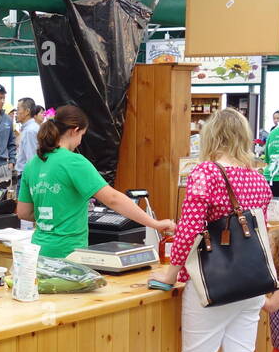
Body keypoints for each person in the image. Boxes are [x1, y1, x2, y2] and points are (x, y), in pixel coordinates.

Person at [148, 108, 273, 352]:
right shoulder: (256, 176)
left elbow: (189, 229)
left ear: (211, 137)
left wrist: (170, 273)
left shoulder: (204, 174)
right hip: (251, 282)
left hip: (214, 285)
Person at [16, 105, 174, 260]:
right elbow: (113, 199)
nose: (79, 142)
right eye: (82, 135)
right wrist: (155, 223)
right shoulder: (74, 162)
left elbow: (23, 212)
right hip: (68, 255)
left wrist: (52, 218)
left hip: (38, 254)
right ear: (75, 130)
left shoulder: (32, 164)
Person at [13, 97, 40, 182]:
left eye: (18, 109)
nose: (16, 113)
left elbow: (31, 159)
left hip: (26, 177)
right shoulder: (31, 128)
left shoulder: (30, 131)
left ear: (27, 111)